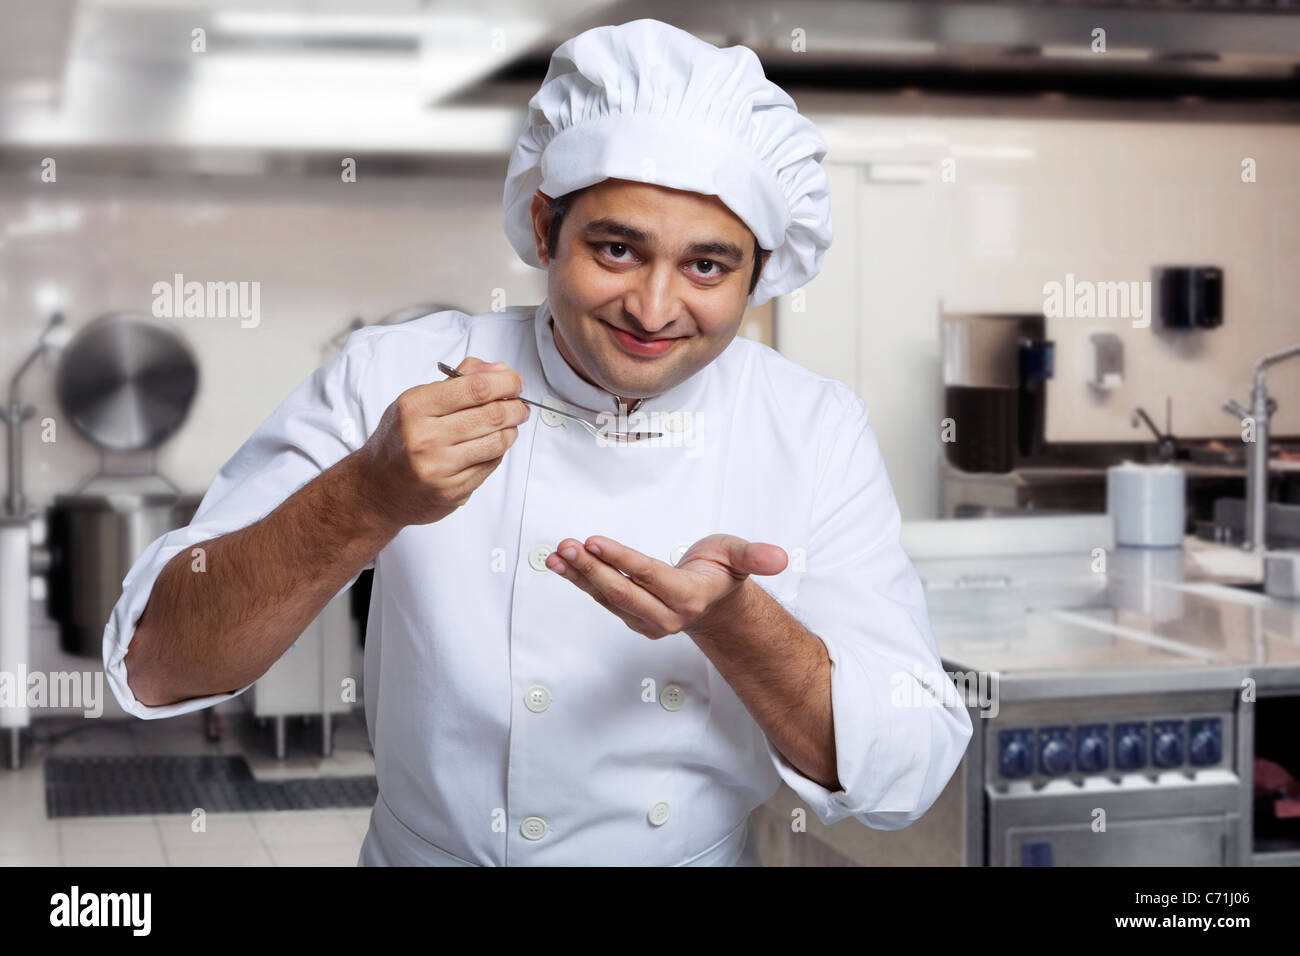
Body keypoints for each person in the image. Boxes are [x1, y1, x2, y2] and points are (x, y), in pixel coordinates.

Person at [104, 18, 972, 866]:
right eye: (618, 249)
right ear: (547, 225)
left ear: (760, 271)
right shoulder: (395, 374)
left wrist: (733, 622)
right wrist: (364, 499)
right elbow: (159, 664)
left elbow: (906, 772)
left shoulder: (814, 427)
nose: (655, 308)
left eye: (707, 266)